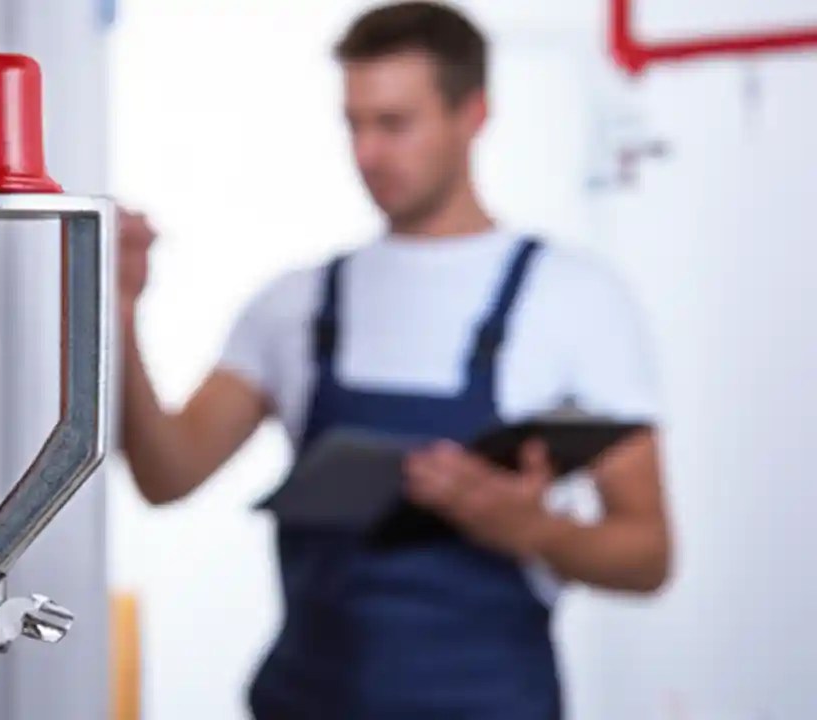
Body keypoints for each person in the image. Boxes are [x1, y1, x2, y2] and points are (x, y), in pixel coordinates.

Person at [117, 2, 672, 718]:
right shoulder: (297, 303)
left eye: (395, 124)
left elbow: (648, 552)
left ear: (472, 114)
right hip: (308, 700)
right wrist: (120, 312)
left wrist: (527, 530)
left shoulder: (576, 301)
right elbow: (167, 472)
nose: (368, 154)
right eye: (354, 123)